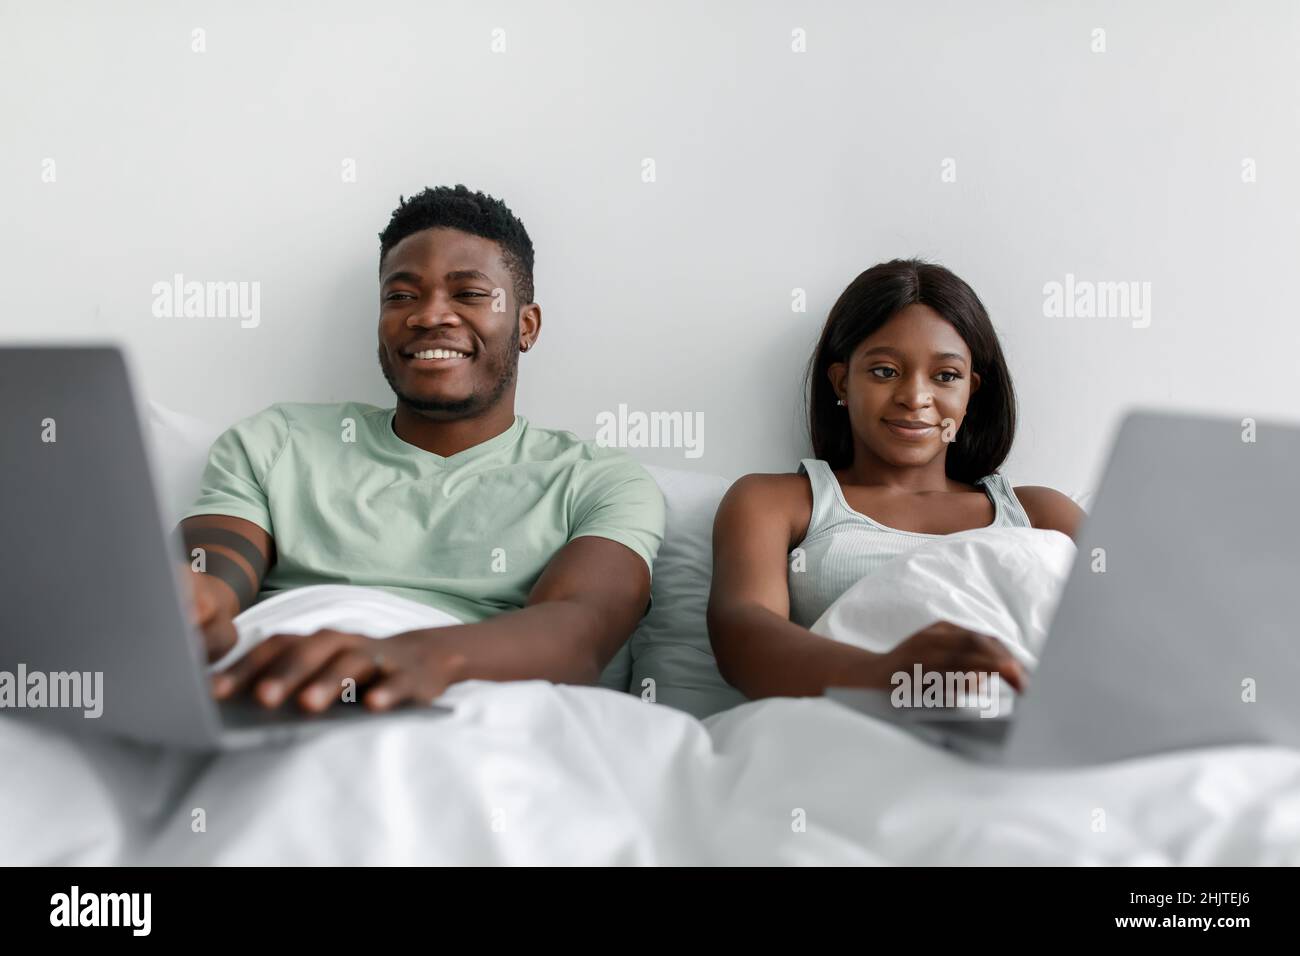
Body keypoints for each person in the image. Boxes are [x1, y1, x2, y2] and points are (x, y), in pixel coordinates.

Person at [180, 185, 665, 713]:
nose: (430, 315)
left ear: (526, 326)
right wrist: (194, 601)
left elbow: (580, 634)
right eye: (402, 296)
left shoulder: (597, 481)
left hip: (462, 704)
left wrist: (414, 657)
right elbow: (212, 577)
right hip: (273, 690)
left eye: (470, 294)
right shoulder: (276, 442)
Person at [707, 258, 1083, 699]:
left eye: (945, 376)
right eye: (885, 371)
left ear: (971, 395)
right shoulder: (777, 503)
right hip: (857, 730)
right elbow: (740, 636)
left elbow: (1141, 622)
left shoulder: (1041, 513)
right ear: (842, 382)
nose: (915, 398)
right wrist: (887, 675)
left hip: (1019, 728)